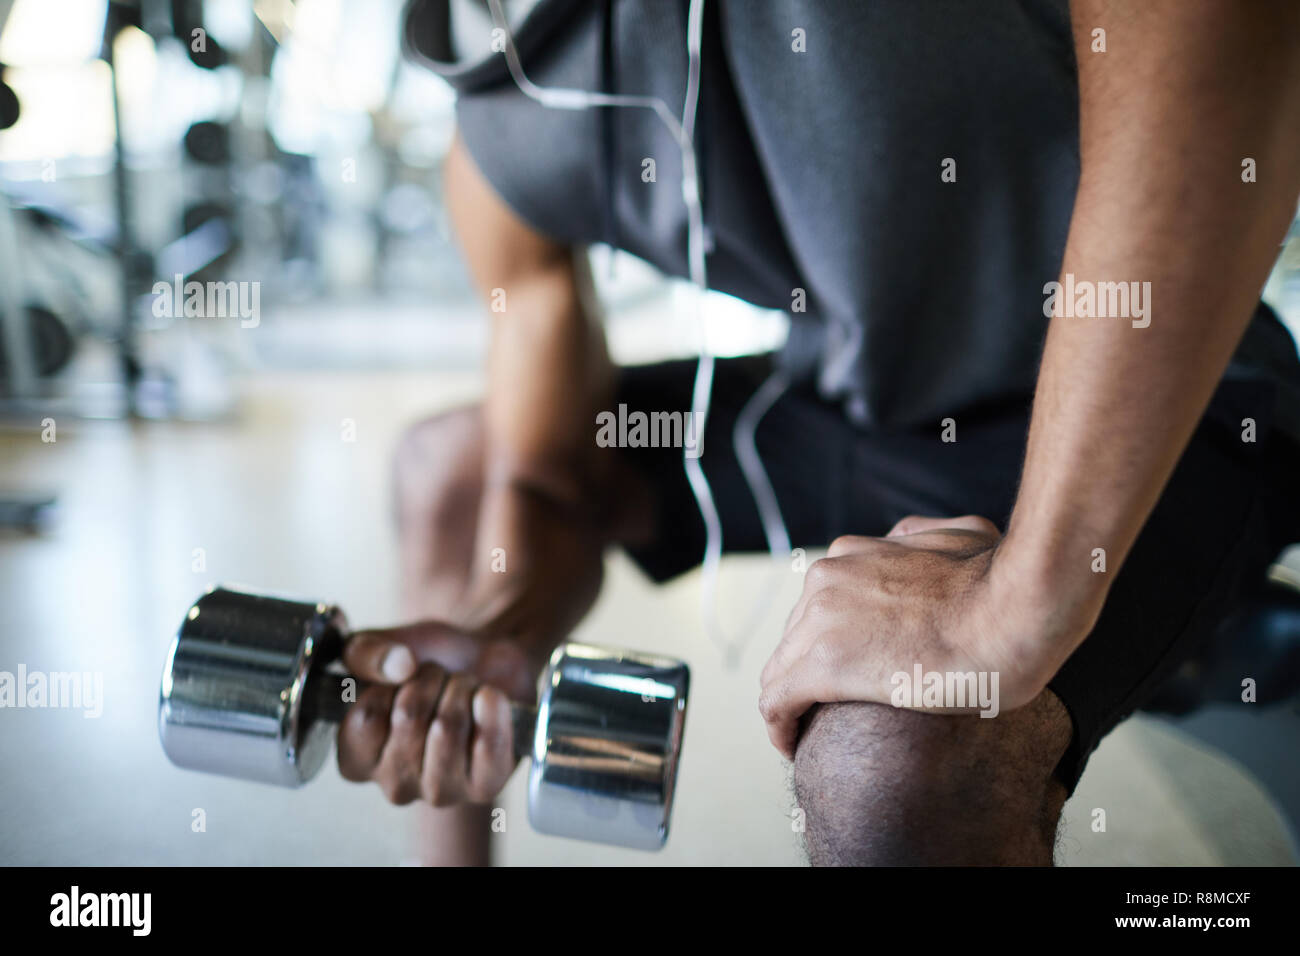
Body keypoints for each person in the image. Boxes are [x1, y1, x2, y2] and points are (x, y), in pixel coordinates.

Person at [334, 0, 1300, 865]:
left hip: (1145, 407)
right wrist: (504, 626)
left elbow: (1214, 25)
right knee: (452, 468)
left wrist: (1020, 606)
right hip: (848, 398)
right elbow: (542, 477)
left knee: (892, 768)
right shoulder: (494, 100)